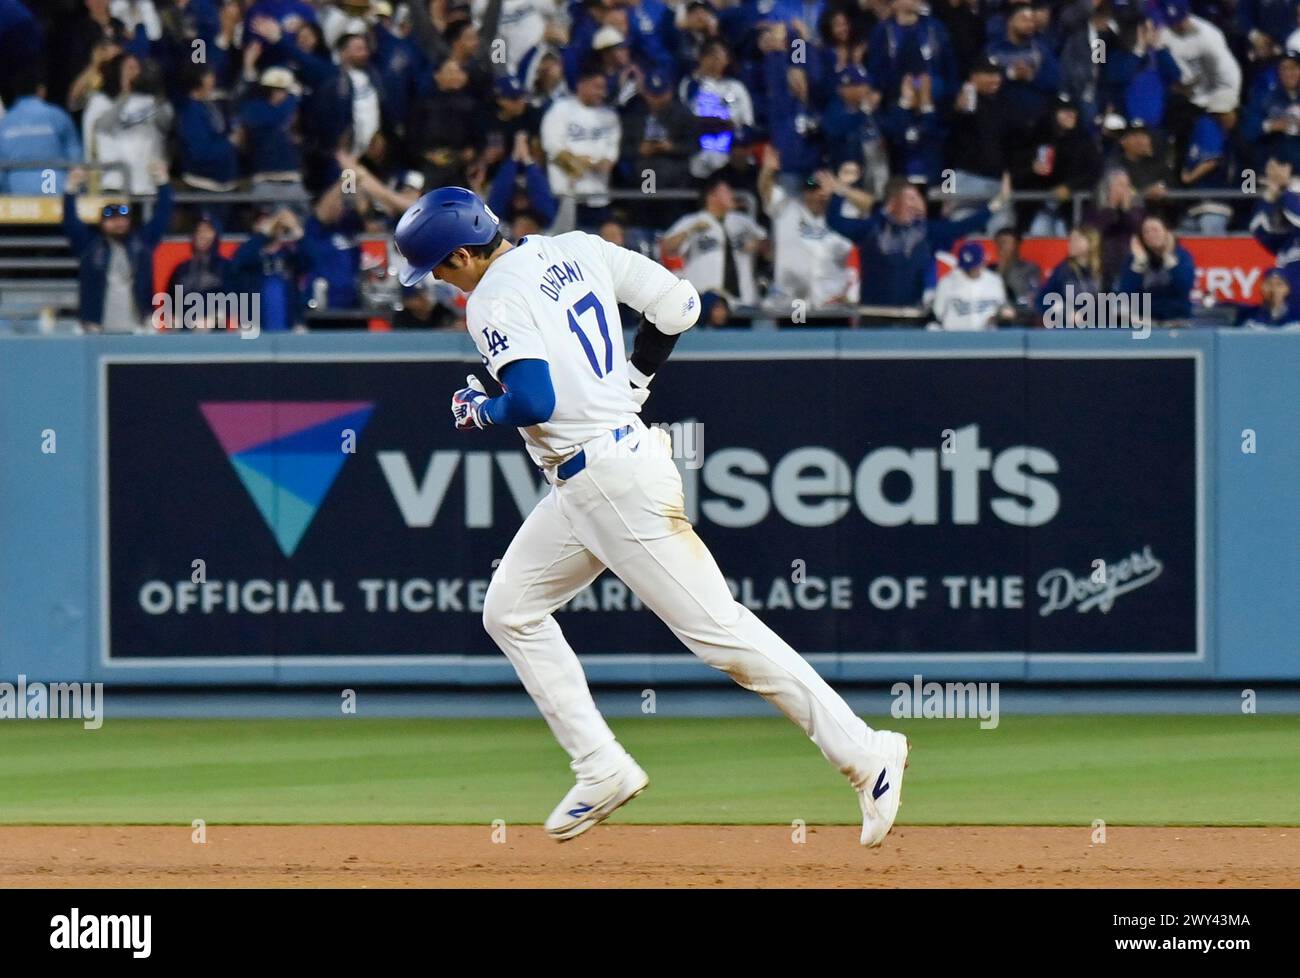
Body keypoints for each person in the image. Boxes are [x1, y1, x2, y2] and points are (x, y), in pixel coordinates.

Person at [392, 185, 910, 846]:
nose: (439, 279)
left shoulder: (493, 298)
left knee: (720, 630)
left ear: (463, 252)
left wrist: (480, 409)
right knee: (511, 609)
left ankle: (867, 755)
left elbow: (533, 400)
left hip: (607, 479)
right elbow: (680, 305)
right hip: (598, 475)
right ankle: (600, 765)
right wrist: (638, 376)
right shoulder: (573, 248)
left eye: (439, 266)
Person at [825, 173, 1010, 308]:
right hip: (873, 315)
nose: (917, 204)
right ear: (892, 202)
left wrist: (996, 204)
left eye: (917, 198)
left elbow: (964, 226)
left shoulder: (926, 230)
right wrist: (839, 192)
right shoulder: (869, 229)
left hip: (912, 316)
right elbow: (835, 221)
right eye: (911, 199)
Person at [62, 162, 174, 333]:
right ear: (102, 223)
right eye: (112, 219)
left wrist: (162, 182)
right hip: (97, 328)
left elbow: (163, 215)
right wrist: (71, 189)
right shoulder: (89, 245)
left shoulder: (142, 242)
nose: (118, 223)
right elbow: (70, 221)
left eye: (122, 218)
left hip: (137, 327)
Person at [759, 150, 853, 307]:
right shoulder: (787, 209)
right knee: (796, 330)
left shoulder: (844, 213)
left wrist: (840, 192)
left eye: (820, 189)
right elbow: (766, 191)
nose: (815, 194)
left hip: (832, 301)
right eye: (810, 189)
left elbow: (870, 207)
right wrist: (768, 171)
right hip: (795, 302)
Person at [661, 177, 768, 306]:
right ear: (712, 196)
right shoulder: (693, 221)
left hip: (744, 299)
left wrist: (758, 244)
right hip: (705, 298)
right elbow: (667, 247)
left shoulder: (742, 221)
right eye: (726, 192)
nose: (732, 195)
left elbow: (767, 244)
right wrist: (690, 231)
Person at [540, 67, 621, 227]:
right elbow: (553, 148)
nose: (602, 93)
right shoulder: (561, 109)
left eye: (603, 88)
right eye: (597, 87)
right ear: (581, 85)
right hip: (566, 194)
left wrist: (586, 162)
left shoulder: (609, 116)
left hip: (598, 196)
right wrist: (578, 163)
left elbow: (609, 159)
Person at [0, 72, 82, 195]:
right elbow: (75, 158)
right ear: (41, 91)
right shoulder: (57, 116)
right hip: (53, 188)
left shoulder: (5, 123)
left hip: (17, 191)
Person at [1117, 214, 1195, 323]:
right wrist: (1139, 264)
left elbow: (1184, 287)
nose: (1151, 235)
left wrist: (1169, 259)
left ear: (1167, 233)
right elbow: (1126, 294)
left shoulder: (1181, 256)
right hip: (1144, 320)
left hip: (1177, 319)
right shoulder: (1133, 259)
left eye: (1155, 230)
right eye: (1146, 232)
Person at [163, 213, 230, 329]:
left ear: (216, 235)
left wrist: (214, 319)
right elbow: (169, 300)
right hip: (183, 334)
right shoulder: (181, 268)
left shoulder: (226, 267)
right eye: (198, 231)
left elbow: (235, 300)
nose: (202, 235)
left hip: (213, 334)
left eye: (207, 231)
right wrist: (172, 318)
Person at [931, 241, 1008, 330]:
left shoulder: (994, 281)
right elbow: (938, 313)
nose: (971, 270)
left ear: (982, 262)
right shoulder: (947, 282)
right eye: (967, 267)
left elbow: (1002, 308)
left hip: (987, 338)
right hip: (955, 336)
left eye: (974, 266)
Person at [1036, 227, 1103, 327]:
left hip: (1099, 328)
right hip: (1069, 329)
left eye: (1076, 240)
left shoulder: (1102, 271)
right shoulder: (1063, 271)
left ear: (1090, 243)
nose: (1070, 244)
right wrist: (1066, 311)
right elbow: (1042, 300)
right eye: (1070, 240)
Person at [1235, 268, 1300, 328]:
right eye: (1269, 284)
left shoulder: (1296, 317)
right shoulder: (1248, 315)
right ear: (1262, 288)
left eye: (1279, 284)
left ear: (1287, 289)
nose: (1274, 289)